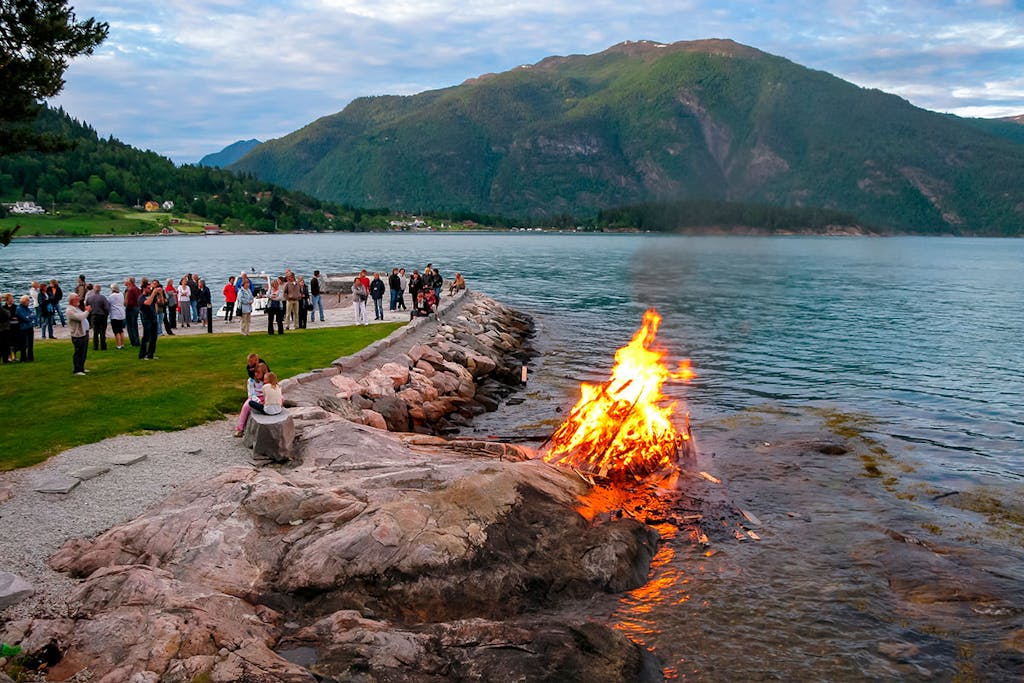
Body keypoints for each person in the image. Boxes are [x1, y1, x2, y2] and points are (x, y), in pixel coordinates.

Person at [234, 361, 267, 436]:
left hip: (266, 396)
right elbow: (251, 394)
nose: (256, 374)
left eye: (258, 372)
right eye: (255, 372)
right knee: (246, 407)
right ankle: (240, 429)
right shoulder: (251, 381)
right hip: (254, 397)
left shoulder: (267, 379)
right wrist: (258, 401)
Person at [66, 292, 90, 375]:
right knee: (78, 352)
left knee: (83, 352)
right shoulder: (70, 310)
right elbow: (80, 317)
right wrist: (87, 311)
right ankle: (77, 369)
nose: (78, 299)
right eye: (77, 298)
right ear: (72, 300)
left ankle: (81, 368)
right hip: (78, 334)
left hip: (84, 332)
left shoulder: (76, 308)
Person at [138, 279, 159, 360]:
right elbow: (148, 303)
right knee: (146, 337)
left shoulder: (151, 296)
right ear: (144, 289)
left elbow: (160, 302)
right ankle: (142, 354)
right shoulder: (141, 298)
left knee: (154, 337)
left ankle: (151, 354)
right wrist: (153, 293)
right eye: (148, 288)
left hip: (153, 318)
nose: (150, 289)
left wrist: (159, 294)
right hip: (146, 319)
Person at [85, 283, 109, 350]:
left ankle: (95, 346)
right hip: (102, 316)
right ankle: (103, 346)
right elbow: (107, 308)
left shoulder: (89, 298)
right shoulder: (103, 298)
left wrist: (89, 317)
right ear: (100, 290)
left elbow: (87, 308)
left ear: (94, 289)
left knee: (95, 332)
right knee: (102, 332)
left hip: (94, 316)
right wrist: (106, 315)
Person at [14, 294, 35, 362]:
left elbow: (33, 315)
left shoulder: (27, 308)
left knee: (30, 344)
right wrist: (29, 317)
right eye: (28, 301)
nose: (29, 302)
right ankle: (23, 358)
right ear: (24, 301)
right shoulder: (19, 309)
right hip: (23, 328)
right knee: (24, 344)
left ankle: (30, 357)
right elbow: (25, 318)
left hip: (29, 327)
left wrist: (29, 317)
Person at [108, 283, 127, 349]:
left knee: (116, 331)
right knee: (121, 330)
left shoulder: (111, 296)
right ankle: (122, 344)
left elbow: (109, 304)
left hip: (115, 315)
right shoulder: (121, 294)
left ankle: (118, 345)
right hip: (122, 314)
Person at [124, 277, 141, 346]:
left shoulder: (130, 290)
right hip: (136, 307)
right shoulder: (137, 289)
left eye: (125, 281)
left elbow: (129, 302)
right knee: (134, 325)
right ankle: (136, 341)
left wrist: (126, 308)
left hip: (131, 309)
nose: (124, 283)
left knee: (130, 326)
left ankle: (133, 342)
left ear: (129, 282)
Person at [0, 293, 12, 363]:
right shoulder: (1, 307)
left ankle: (5, 358)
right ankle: (5, 359)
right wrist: (8, 313)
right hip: (3, 328)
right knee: (4, 344)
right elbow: (6, 314)